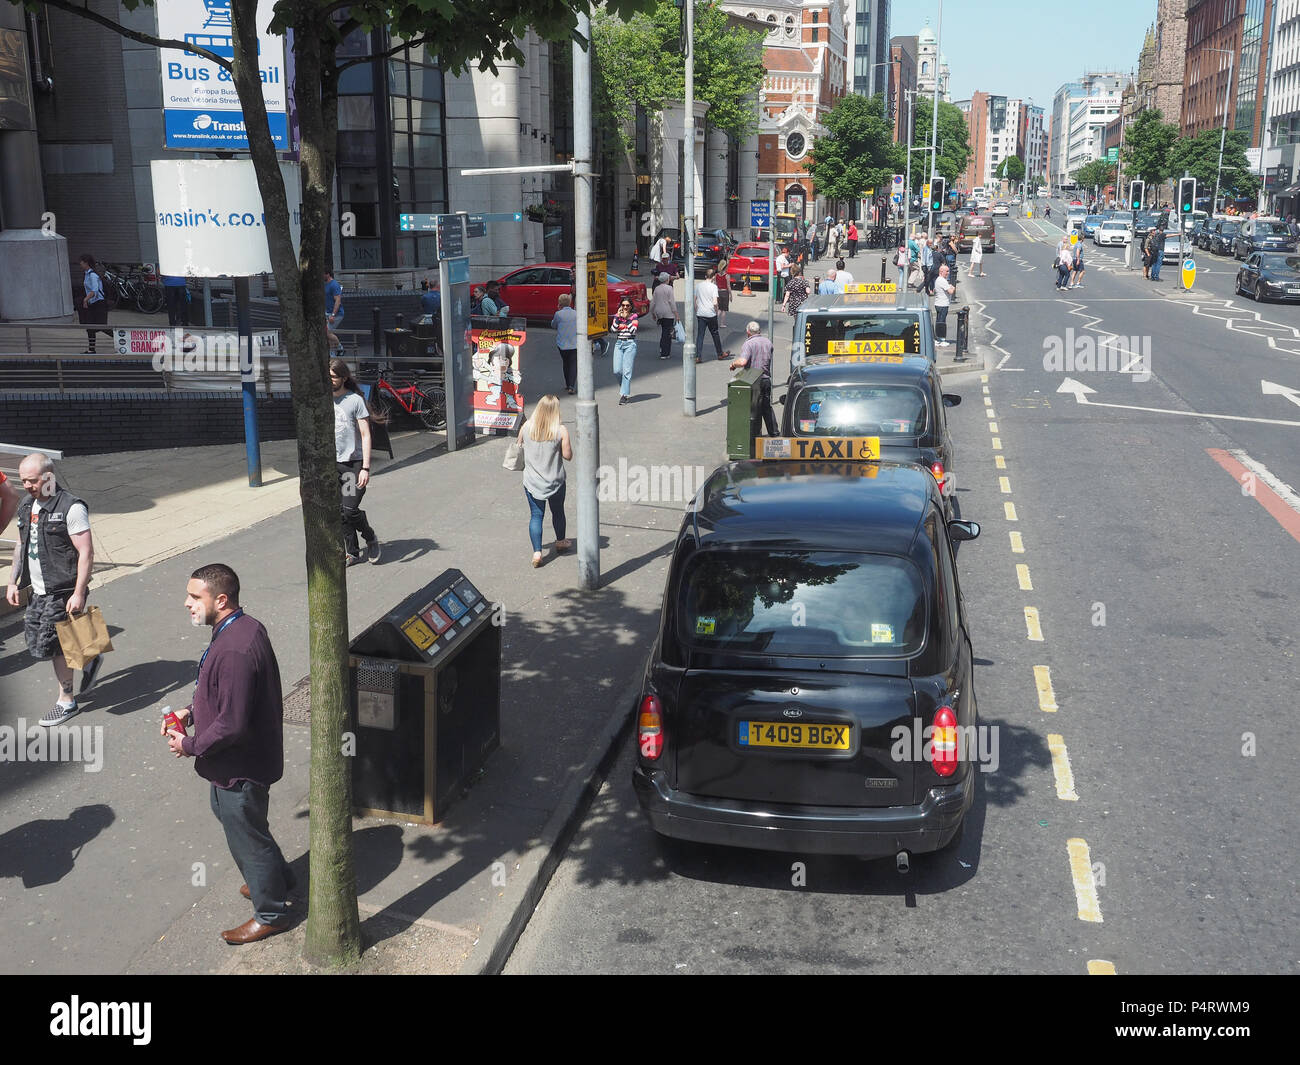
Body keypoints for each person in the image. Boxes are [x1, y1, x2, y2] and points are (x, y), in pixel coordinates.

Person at [165, 563, 296, 945]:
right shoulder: (241, 628)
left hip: (240, 766)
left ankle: (271, 912)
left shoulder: (235, 648)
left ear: (220, 600)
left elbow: (232, 724)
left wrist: (187, 745)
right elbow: (219, 693)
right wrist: (189, 712)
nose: (186, 603)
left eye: (194, 596)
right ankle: (276, 880)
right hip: (235, 763)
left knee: (246, 833)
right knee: (237, 820)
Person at [6, 452, 99, 725]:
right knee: (46, 639)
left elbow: (87, 553)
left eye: (32, 481)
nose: (27, 486)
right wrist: (13, 581)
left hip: (62, 589)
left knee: (54, 645)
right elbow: (21, 545)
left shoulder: (72, 507)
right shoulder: (26, 505)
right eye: (23, 481)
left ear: (48, 477)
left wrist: (79, 592)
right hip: (37, 589)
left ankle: (66, 701)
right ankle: (90, 653)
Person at [330, 358, 382, 566]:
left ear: (343, 378)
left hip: (353, 465)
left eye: (333, 377)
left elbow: (365, 434)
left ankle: (369, 537)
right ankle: (352, 552)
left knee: (350, 509)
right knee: (339, 512)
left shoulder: (355, 401)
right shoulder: (324, 399)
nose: (330, 380)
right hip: (332, 464)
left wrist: (366, 468)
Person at [518, 395, 573, 567]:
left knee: (536, 516)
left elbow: (518, 445)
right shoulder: (560, 430)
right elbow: (568, 456)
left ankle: (537, 553)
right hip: (555, 481)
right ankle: (560, 541)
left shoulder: (526, 427)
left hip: (532, 481)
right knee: (558, 512)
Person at [729, 322, 778, 435]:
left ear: (748, 332)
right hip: (766, 379)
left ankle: (755, 435)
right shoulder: (768, 342)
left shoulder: (749, 344)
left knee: (753, 408)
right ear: (759, 331)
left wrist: (733, 364)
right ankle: (774, 432)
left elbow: (743, 362)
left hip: (753, 380)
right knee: (766, 407)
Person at [78, 254, 111, 354]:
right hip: (93, 304)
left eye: (81, 262)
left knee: (101, 327)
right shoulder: (87, 274)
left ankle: (122, 338)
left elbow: (94, 291)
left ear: (86, 263)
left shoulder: (92, 275)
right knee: (90, 327)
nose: (80, 264)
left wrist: (85, 300)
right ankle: (91, 349)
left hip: (99, 304)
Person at [610, 297, 640, 402]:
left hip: (630, 344)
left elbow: (633, 331)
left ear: (631, 307)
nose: (625, 307)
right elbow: (613, 329)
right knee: (617, 370)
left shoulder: (634, 316)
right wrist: (618, 317)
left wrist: (627, 319)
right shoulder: (617, 316)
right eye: (623, 305)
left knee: (627, 371)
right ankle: (624, 388)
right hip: (619, 344)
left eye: (627, 305)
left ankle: (624, 395)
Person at [694, 267, 725, 361]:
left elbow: (694, 300)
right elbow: (715, 302)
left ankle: (698, 356)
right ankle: (720, 353)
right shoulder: (714, 287)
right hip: (711, 314)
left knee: (700, 335)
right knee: (715, 334)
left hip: (701, 313)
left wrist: (697, 310)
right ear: (714, 277)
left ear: (705, 276)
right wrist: (716, 310)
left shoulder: (698, 285)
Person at [551, 293, 578, 393]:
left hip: (562, 344)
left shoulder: (558, 314)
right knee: (573, 363)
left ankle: (567, 384)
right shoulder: (575, 313)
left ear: (559, 303)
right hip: (574, 343)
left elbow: (553, 325)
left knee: (566, 363)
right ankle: (571, 385)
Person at [650, 271, 678, 361]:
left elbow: (653, 302)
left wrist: (653, 313)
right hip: (668, 313)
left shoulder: (657, 289)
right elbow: (672, 302)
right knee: (668, 333)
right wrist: (676, 314)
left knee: (664, 331)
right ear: (667, 279)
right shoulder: (669, 288)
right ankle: (665, 352)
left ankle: (662, 348)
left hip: (659, 313)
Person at [781, 263, 810, 340]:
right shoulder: (804, 281)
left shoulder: (791, 282)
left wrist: (783, 305)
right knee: (803, 320)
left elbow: (787, 295)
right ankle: (802, 335)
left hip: (794, 303)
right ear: (799, 272)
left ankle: (796, 336)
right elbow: (808, 291)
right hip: (803, 303)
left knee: (796, 320)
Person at [933, 264, 954, 347]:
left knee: (939, 322)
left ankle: (937, 339)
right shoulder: (942, 280)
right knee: (942, 322)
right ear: (941, 272)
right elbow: (951, 291)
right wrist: (953, 287)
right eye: (947, 271)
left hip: (939, 303)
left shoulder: (939, 280)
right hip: (942, 304)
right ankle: (941, 340)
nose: (948, 273)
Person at [324, 269, 344, 353]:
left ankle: (340, 348)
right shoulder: (325, 284)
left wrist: (333, 315)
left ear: (327, 274)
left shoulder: (334, 285)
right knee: (327, 333)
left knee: (327, 332)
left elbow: (337, 301)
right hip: (327, 312)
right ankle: (331, 352)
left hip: (336, 314)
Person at [716, 258, 731, 330]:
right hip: (725, 292)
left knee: (719, 309)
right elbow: (728, 286)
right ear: (725, 267)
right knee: (724, 310)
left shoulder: (716, 275)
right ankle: (722, 323)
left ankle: (714, 322)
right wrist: (731, 294)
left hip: (718, 292)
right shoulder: (727, 276)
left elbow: (715, 284)